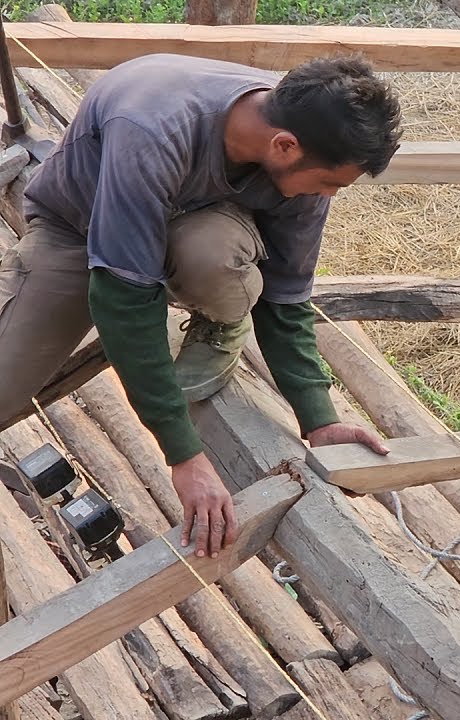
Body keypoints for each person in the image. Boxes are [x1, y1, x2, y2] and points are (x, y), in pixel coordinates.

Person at [0, 53, 403, 559]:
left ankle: (221, 319)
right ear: (283, 146)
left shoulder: (308, 140)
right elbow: (124, 300)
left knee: (212, 259)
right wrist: (184, 454)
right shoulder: (154, 129)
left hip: (199, 226)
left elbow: (286, 295)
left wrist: (317, 417)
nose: (326, 195)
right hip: (77, 228)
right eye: (329, 183)